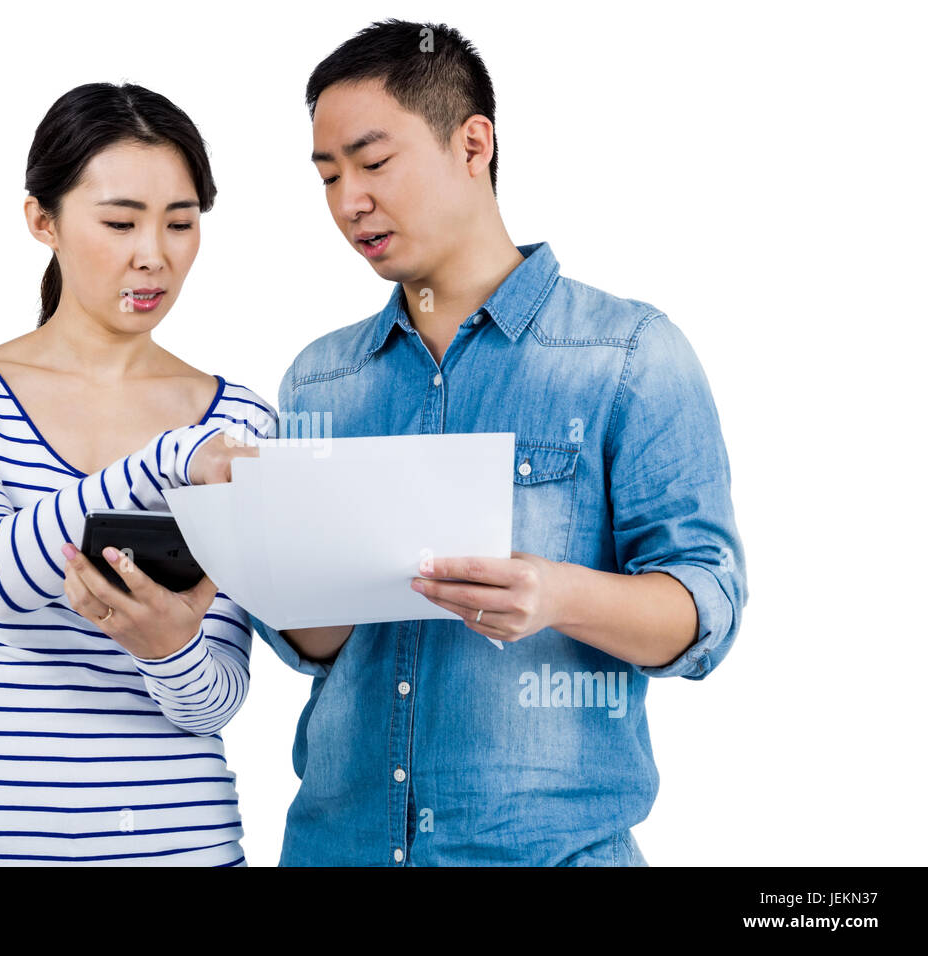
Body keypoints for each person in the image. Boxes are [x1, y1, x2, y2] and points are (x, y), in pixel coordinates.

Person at [249, 19, 748, 866]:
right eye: (328, 176)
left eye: (372, 164)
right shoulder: (319, 379)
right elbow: (316, 647)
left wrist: (558, 596)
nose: (347, 203)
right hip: (336, 847)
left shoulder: (626, 355)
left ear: (473, 143)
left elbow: (706, 612)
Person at [0, 82, 273, 866]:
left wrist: (171, 650)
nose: (154, 254)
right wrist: (169, 459)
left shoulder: (241, 426)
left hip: (176, 844)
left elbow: (219, 699)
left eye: (180, 222)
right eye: (120, 221)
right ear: (43, 220)